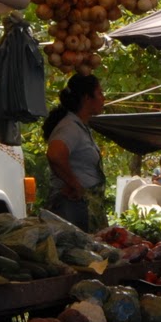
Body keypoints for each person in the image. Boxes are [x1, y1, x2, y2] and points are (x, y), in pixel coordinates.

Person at [42, 73, 106, 231]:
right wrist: (75, 184)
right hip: (70, 205)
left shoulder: (79, 126)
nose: (103, 98)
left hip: (79, 206)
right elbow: (55, 155)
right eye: (99, 93)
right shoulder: (69, 127)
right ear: (86, 98)